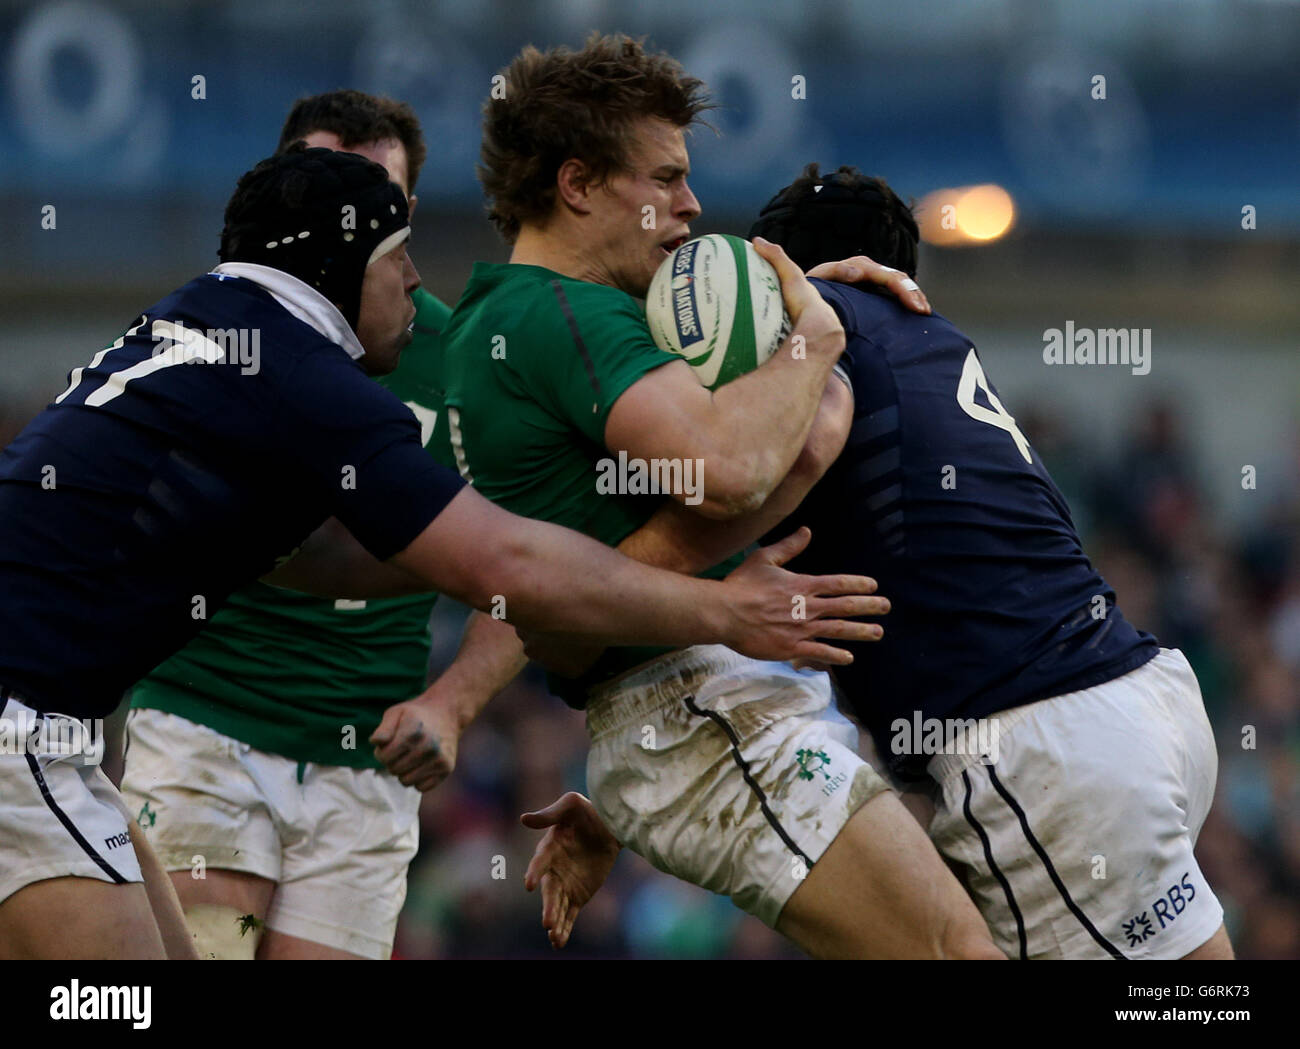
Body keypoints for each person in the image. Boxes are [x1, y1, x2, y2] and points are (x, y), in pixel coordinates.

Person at [0, 146, 879, 960]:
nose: (416, 285)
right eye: (399, 256)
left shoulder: (205, 324)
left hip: (56, 730)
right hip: (20, 727)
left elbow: (344, 558)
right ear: (339, 265)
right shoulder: (305, 380)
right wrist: (723, 608)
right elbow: (509, 570)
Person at [527, 163, 1233, 961]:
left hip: (1041, 748)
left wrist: (563, 608)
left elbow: (704, 554)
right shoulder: (930, 342)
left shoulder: (807, 344)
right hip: (1134, 703)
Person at [437, 34, 1002, 960]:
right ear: (577, 185)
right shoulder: (560, 314)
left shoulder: (506, 322)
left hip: (697, 710)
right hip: (701, 708)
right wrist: (816, 335)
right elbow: (730, 472)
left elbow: (569, 591)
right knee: (956, 952)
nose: (692, 205)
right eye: (664, 178)